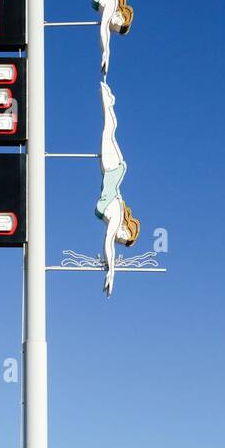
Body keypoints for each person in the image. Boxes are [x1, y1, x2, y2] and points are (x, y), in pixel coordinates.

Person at [96, 81, 139, 295]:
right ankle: (107, 100)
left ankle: (109, 101)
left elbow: (109, 243)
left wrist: (111, 271)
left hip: (115, 169)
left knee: (110, 131)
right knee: (109, 130)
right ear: (125, 230)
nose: (118, 238)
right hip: (114, 168)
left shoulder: (115, 216)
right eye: (124, 237)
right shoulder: (117, 217)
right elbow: (108, 244)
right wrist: (111, 271)